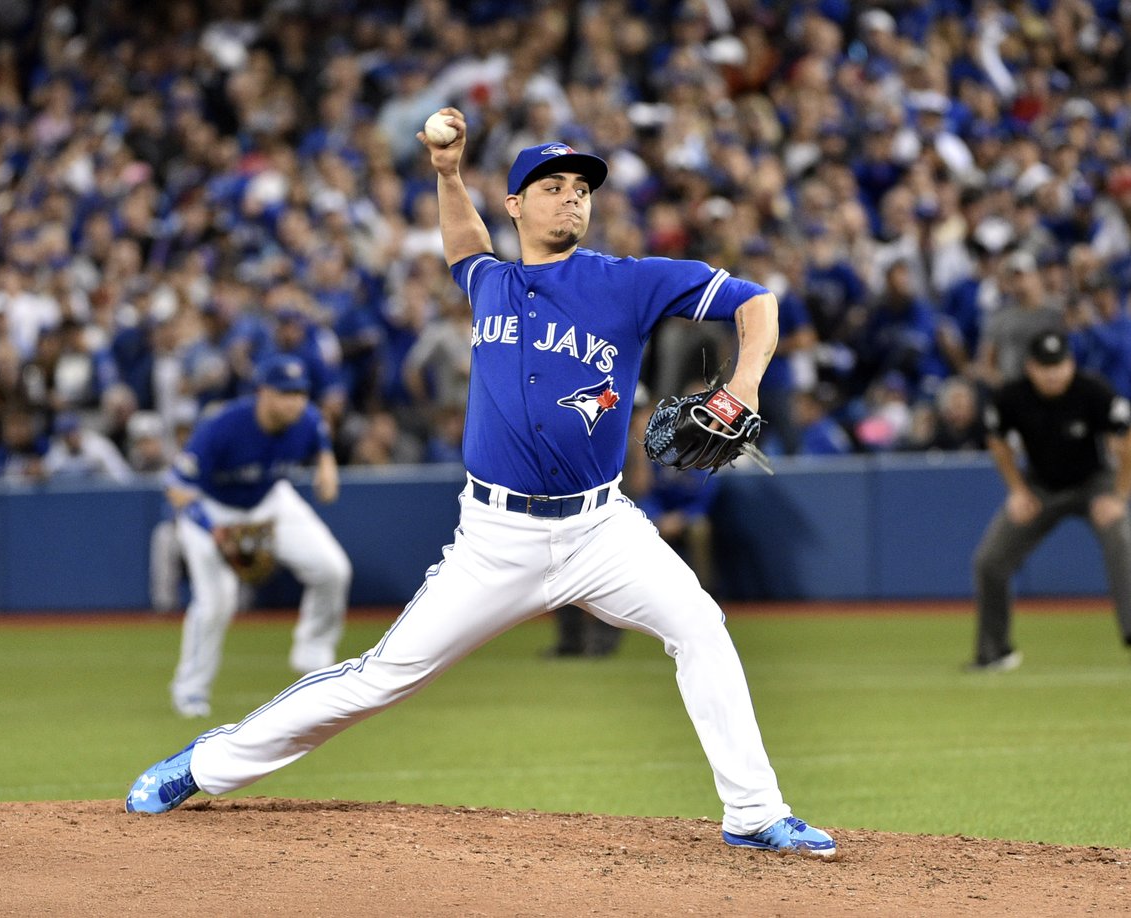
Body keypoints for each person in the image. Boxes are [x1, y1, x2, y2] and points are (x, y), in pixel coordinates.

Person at [126, 114, 836, 858]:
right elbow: (462, 241)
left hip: (602, 531)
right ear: (515, 206)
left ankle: (753, 812)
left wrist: (745, 383)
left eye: (580, 189)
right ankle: (204, 764)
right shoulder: (490, 280)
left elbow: (756, 300)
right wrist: (445, 174)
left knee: (700, 627)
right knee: (381, 678)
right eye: (551, 186)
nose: (571, 199)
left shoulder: (625, 281)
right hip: (497, 540)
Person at [162, 352, 353, 718]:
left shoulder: (307, 420)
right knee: (216, 603)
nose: (296, 400)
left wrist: (327, 469)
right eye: (286, 393)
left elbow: (321, 443)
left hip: (270, 502)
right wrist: (213, 529)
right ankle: (190, 691)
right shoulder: (223, 426)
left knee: (332, 569)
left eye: (301, 392)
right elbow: (176, 487)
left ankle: (313, 655)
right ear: (263, 393)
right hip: (211, 509)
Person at [971, 329, 1131, 671]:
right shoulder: (1012, 396)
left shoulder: (1092, 390)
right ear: (1030, 367)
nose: (1054, 372)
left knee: (1122, 537)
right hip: (1040, 486)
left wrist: (1119, 494)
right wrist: (1016, 489)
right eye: (1045, 366)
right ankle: (994, 651)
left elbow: (1127, 434)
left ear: (1071, 363)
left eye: (1059, 364)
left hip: (1094, 483)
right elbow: (996, 439)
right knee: (990, 560)